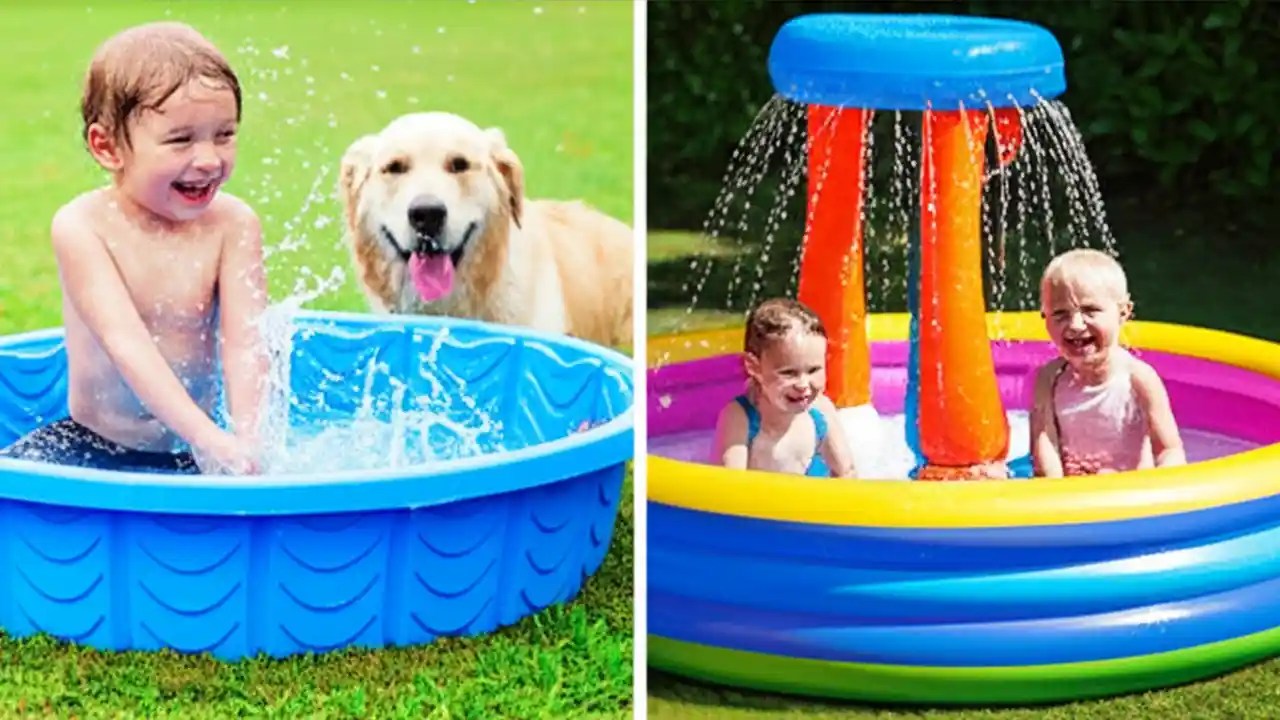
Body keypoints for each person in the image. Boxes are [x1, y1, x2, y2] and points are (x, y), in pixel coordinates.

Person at [0, 22, 268, 475]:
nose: (208, 159)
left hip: (190, 452)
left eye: (224, 134)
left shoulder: (233, 224)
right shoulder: (83, 227)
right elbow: (126, 344)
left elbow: (246, 344)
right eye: (181, 139)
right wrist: (208, 437)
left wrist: (246, 443)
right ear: (107, 148)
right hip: (92, 445)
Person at [1030, 248, 1186, 477]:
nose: (1075, 325)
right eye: (1060, 314)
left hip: (1127, 496)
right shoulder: (1048, 378)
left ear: (1123, 313)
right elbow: (1045, 444)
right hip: (1071, 495)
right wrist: (1057, 492)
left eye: (1090, 311)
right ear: (1045, 317)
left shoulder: (1137, 378)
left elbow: (1169, 450)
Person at [711, 298, 857, 478]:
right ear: (753, 366)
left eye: (813, 370)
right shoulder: (740, 418)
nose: (803, 384)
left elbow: (847, 474)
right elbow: (728, 487)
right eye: (789, 373)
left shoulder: (821, 412)